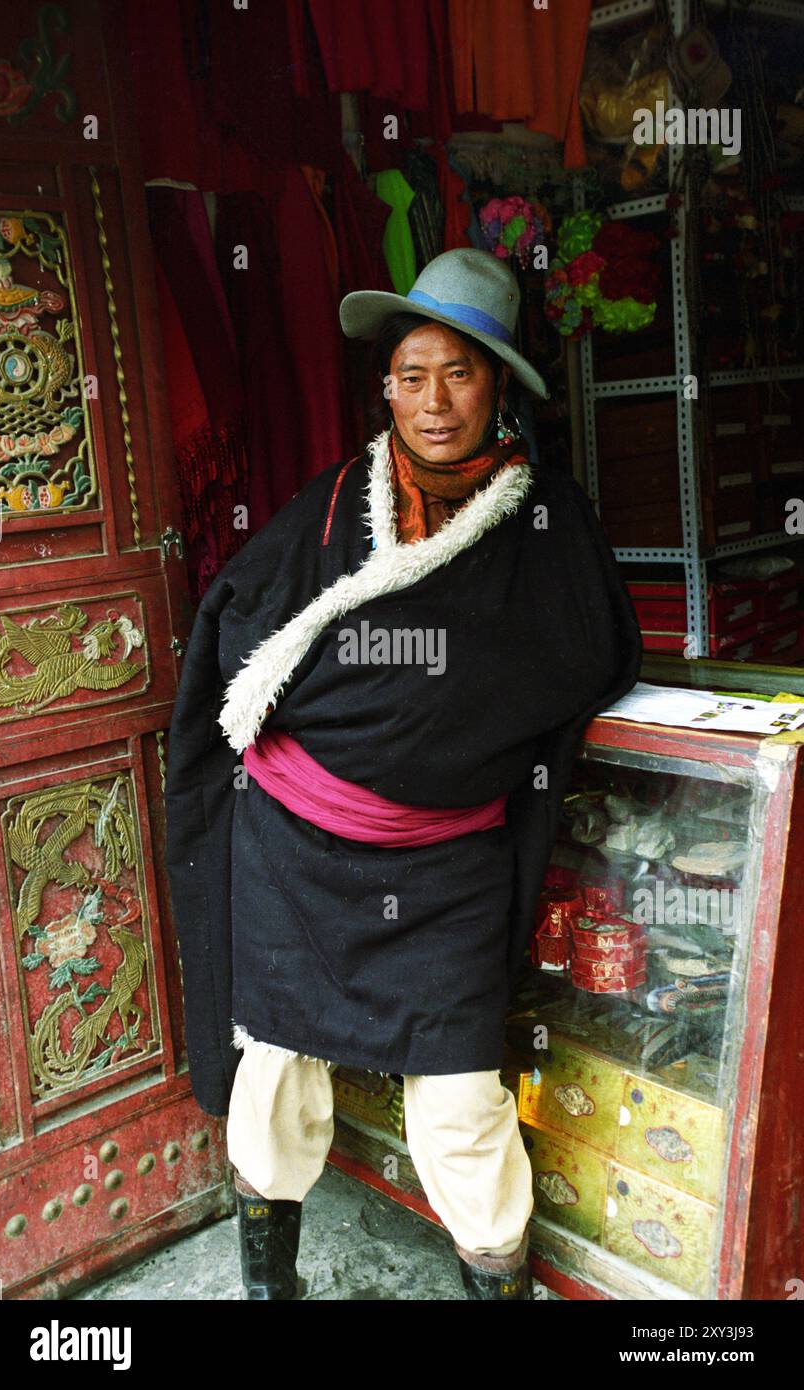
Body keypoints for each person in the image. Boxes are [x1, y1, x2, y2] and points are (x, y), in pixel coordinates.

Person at [163, 248, 643, 1301]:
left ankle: (492, 1280)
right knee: (273, 1085)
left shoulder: (545, 523)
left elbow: (582, 651)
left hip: (444, 874)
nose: (434, 400)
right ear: (385, 385)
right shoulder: (333, 503)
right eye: (411, 373)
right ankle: (268, 1288)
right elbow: (234, 621)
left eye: (460, 373)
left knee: (464, 1107)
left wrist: (447, 710)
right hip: (292, 855)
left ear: (501, 387)